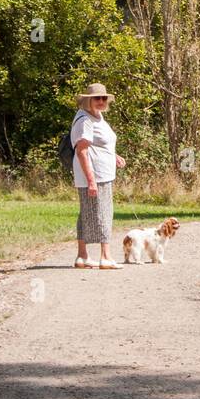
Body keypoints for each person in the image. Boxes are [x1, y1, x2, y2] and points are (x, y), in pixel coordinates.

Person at [71, 83, 125, 270]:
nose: (101, 101)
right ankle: (105, 257)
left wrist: (114, 156)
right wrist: (91, 181)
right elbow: (82, 152)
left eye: (104, 98)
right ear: (88, 100)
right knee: (103, 213)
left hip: (102, 173)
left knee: (86, 214)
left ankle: (82, 256)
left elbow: (101, 144)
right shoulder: (84, 120)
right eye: (97, 98)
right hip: (95, 176)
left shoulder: (97, 117)